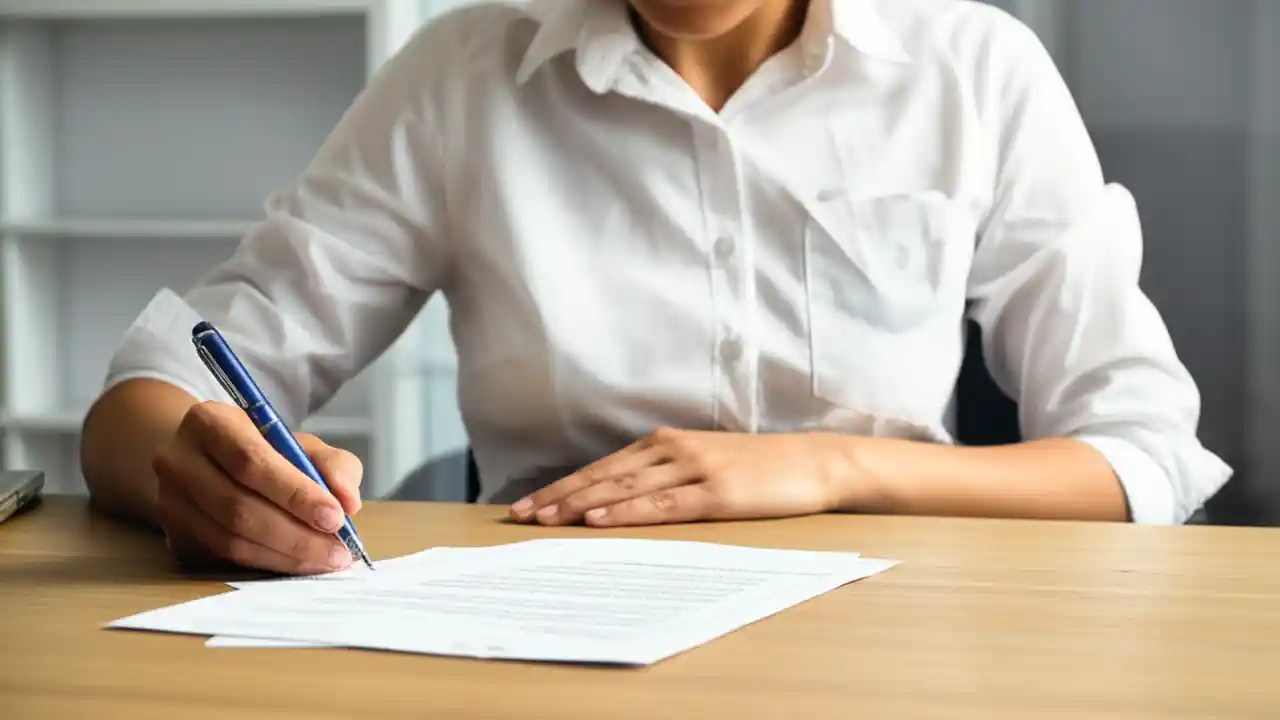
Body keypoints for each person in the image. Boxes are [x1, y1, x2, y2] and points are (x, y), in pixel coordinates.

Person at [81, 0, 1231, 576]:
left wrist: (829, 465)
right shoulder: (459, 76)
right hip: (545, 634)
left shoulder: (973, 67)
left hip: (894, 629)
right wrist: (191, 468)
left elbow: (1140, 454)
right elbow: (156, 390)